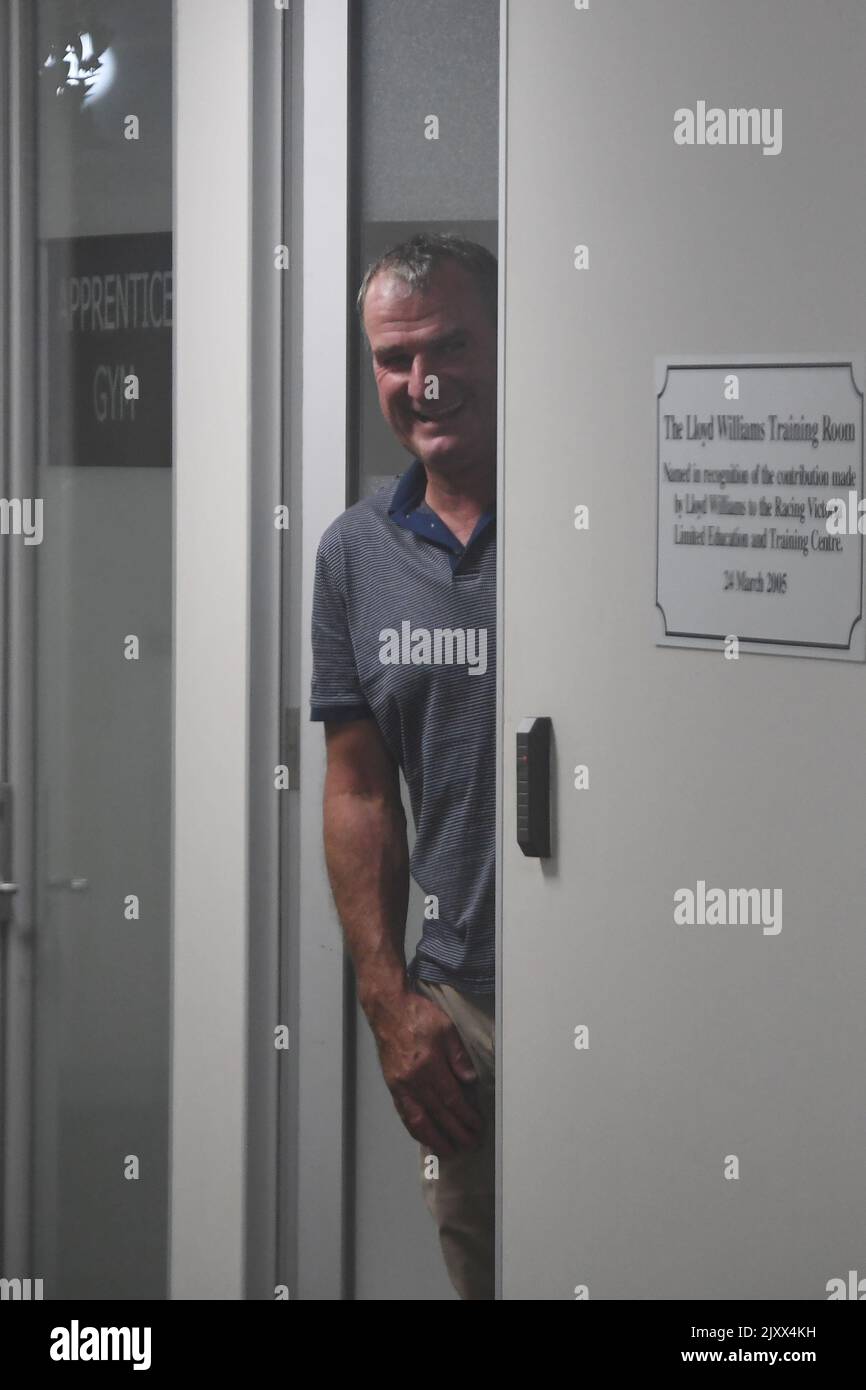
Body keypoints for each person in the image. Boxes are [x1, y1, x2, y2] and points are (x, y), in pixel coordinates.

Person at [310, 232, 497, 1300]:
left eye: (450, 346)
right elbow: (357, 787)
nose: (421, 382)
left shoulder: (588, 510)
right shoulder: (352, 555)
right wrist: (390, 1004)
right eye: (392, 357)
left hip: (621, 982)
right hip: (461, 1009)